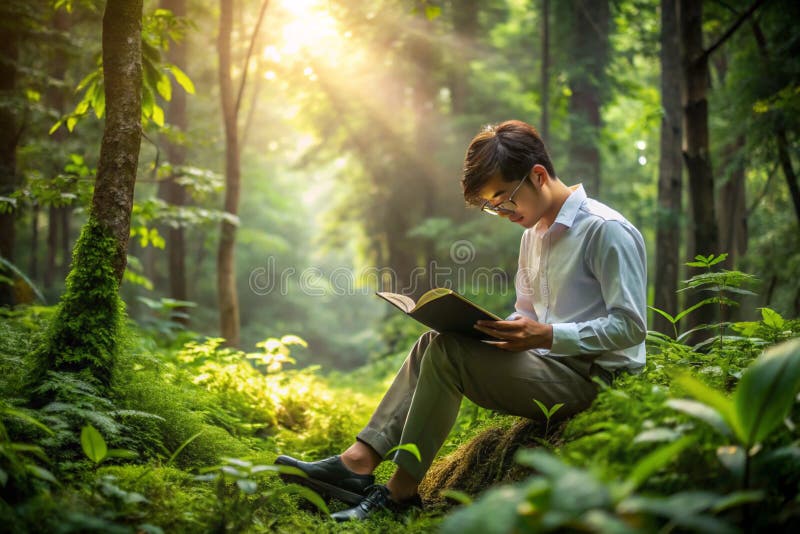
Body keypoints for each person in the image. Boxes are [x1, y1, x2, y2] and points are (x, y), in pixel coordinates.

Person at [275, 119, 647, 522]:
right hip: (550, 364)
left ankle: (399, 495)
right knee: (432, 342)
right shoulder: (534, 236)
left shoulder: (605, 230)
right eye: (493, 206)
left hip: (594, 380)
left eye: (504, 199)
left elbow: (631, 326)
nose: (502, 213)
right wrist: (490, 329)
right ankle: (357, 462)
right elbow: (526, 312)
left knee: (449, 354)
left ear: (537, 176)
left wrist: (548, 335)